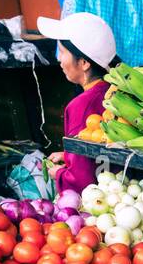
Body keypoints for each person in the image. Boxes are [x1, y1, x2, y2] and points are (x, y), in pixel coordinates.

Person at [36, 11, 119, 193]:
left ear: (83, 63)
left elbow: (82, 180)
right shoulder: (115, 91)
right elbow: (102, 150)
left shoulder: (80, 106)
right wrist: (69, 155)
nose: (58, 59)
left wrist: (58, 174)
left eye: (63, 52)